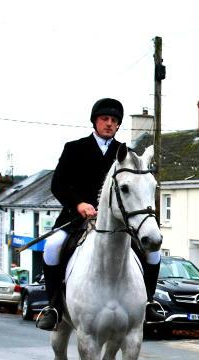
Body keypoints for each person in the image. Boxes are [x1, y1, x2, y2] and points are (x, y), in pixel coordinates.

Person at [36, 98, 165, 330]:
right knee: (52, 246)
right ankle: (53, 306)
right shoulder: (74, 148)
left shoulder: (126, 154)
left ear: (118, 125)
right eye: (104, 119)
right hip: (77, 218)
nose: (109, 124)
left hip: (118, 222)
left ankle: (148, 302)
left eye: (114, 121)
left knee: (153, 254)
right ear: (95, 121)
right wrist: (79, 204)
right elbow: (59, 184)